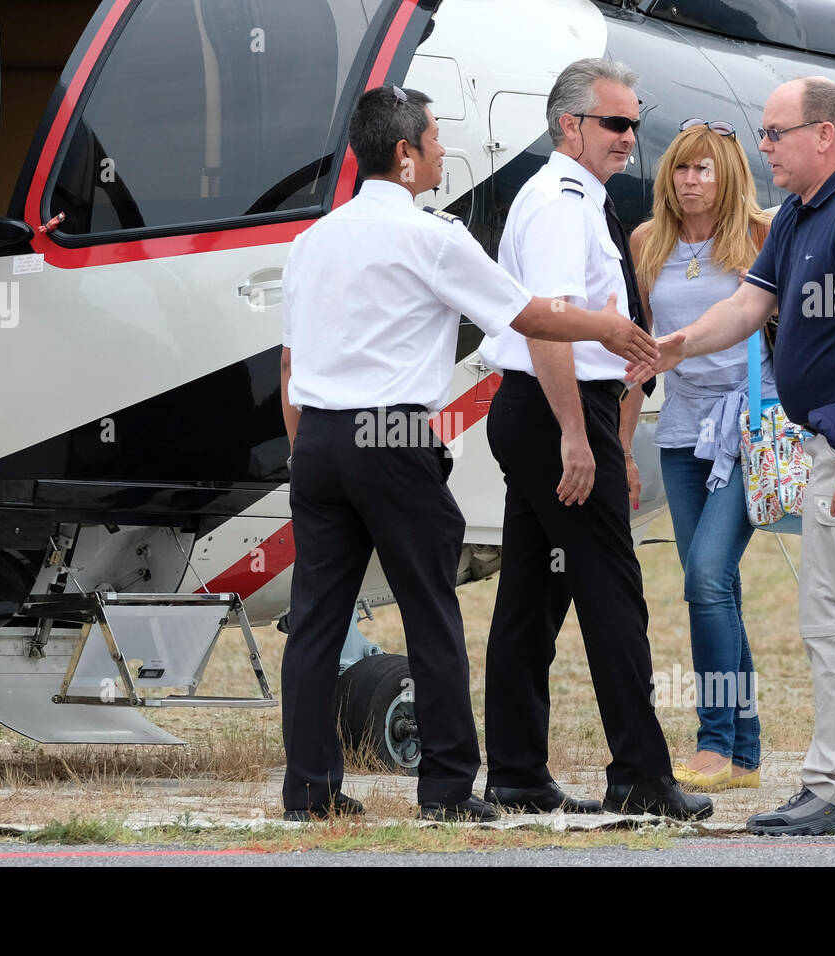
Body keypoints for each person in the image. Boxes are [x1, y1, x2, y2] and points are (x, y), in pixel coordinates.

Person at [278, 84, 658, 823]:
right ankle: (448, 788)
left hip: (320, 437)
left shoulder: (311, 239)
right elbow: (529, 313)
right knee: (430, 610)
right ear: (405, 154)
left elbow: (290, 367)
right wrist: (607, 330)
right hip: (390, 435)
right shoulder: (433, 236)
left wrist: (310, 455)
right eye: (436, 139)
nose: (444, 151)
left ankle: (310, 790)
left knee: (317, 620)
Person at [630, 76, 835, 835]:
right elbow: (750, 306)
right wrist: (673, 346)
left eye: (776, 132)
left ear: (824, 135)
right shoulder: (799, 217)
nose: (764, 147)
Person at [478, 58, 711, 820]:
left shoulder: (577, 199)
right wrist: (578, 437)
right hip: (554, 407)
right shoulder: (560, 201)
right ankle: (640, 773)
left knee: (533, 592)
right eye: (615, 123)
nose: (629, 138)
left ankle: (515, 770)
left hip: (553, 408)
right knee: (613, 590)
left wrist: (599, 430)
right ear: (568, 125)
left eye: (635, 123)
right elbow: (546, 323)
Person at [629, 119, 772, 792]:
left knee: (707, 578)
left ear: (728, 175)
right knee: (716, 586)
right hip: (682, 434)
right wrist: (622, 447)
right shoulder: (646, 242)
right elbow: (640, 354)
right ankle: (745, 752)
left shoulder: (758, 236)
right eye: (683, 168)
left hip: (747, 427)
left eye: (705, 169)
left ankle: (714, 742)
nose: (692, 180)